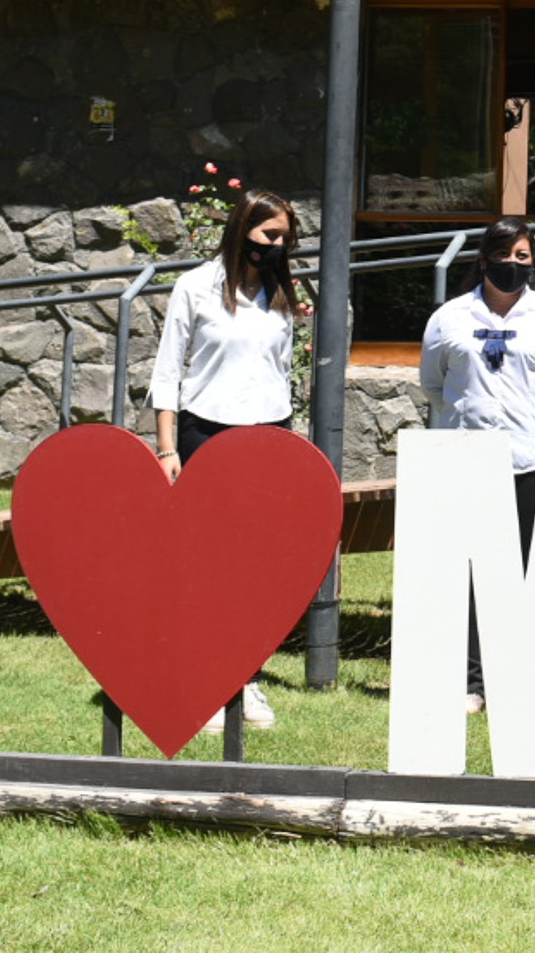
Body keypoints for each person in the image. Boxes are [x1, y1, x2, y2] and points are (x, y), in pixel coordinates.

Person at [147, 186, 304, 729]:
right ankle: (207, 677)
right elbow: (168, 370)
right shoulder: (195, 287)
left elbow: (281, 371)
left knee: (257, 566)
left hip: (269, 435)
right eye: (269, 235)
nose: (278, 246)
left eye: (285, 238)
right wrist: (167, 447)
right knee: (209, 562)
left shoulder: (280, 294)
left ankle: (246, 678)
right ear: (243, 229)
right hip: (207, 432)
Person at [420, 215, 535, 715]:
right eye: (503, 255)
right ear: (483, 259)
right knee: (473, 574)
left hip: (534, 461)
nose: (512, 264)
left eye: (522, 256)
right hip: (469, 462)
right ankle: (474, 682)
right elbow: (433, 384)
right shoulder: (449, 317)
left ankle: (528, 675)